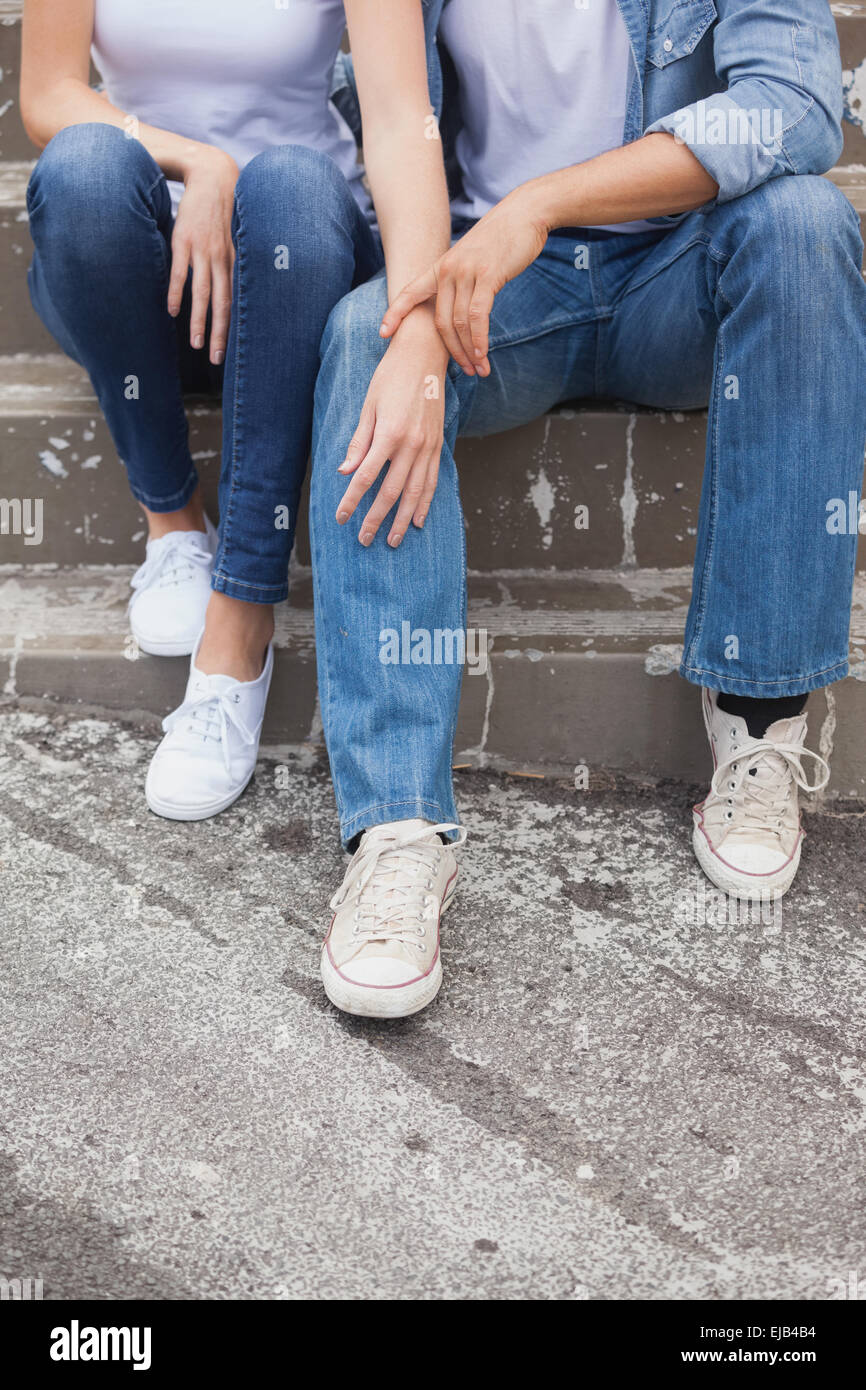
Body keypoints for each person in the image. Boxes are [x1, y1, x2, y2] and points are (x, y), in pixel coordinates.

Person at [311, 0, 866, 1017]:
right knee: (362, 339)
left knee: (804, 223)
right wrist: (422, 320)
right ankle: (397, 828)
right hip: (494, 288)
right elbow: (397, 122)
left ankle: (756, 721)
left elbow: (791, 108)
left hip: (675, 273)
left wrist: (545, 202)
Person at [21, 0, 450, 820]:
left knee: (285, 181)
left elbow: (401, 117)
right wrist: (200, 164)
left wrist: (419, 317)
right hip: (142, 275)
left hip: (300, 268)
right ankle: (174, 524)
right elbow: (46, 95)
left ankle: (239, 624)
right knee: (83, 168)